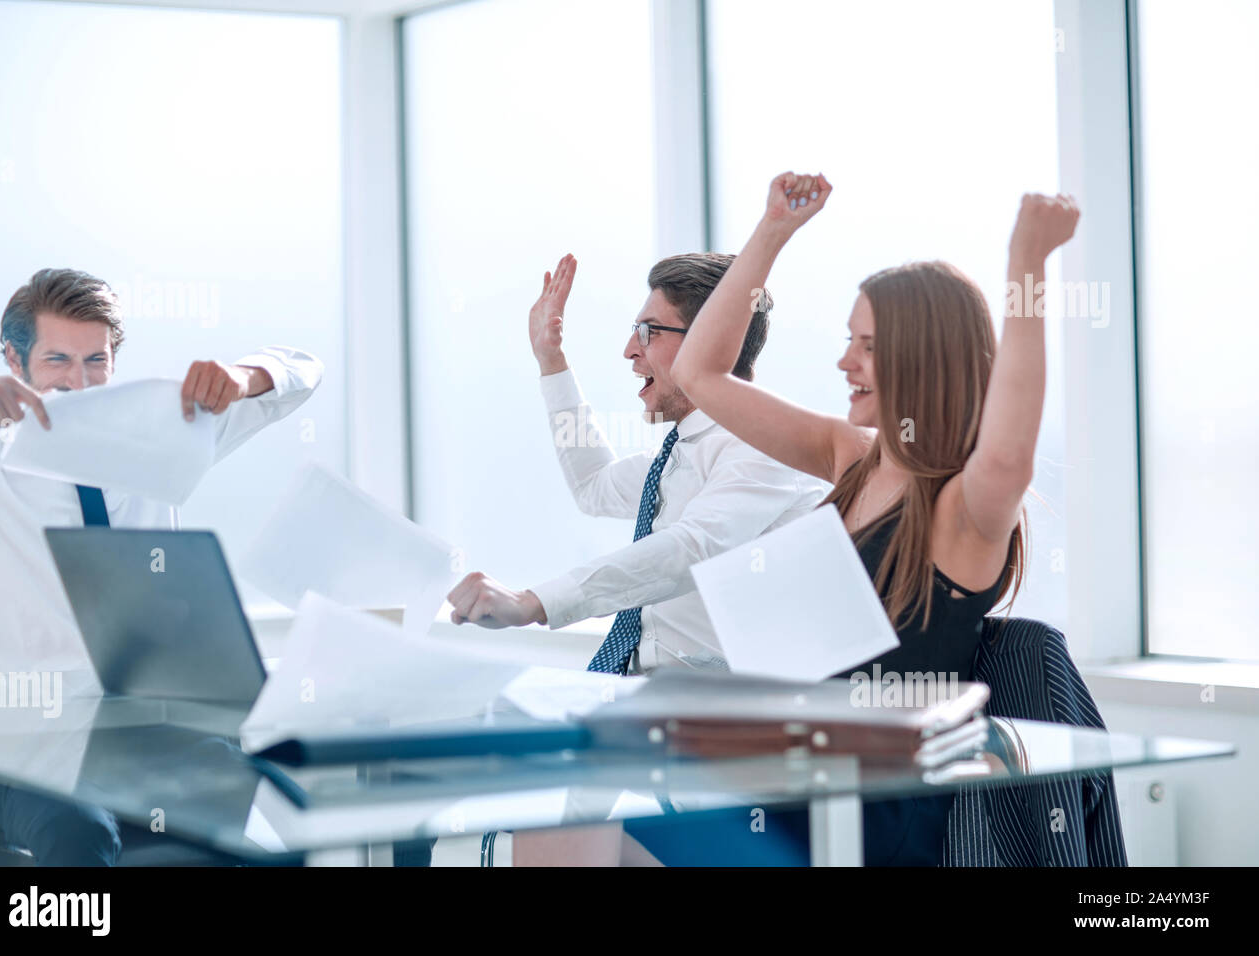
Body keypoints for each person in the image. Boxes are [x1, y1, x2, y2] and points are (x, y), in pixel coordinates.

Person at [665, 171, 1080, 865]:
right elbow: (700, 374)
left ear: (923, 357)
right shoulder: (853, 455)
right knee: (570, 818)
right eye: (848, 339)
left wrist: (1027, 266)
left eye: (868, 346)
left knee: (587, 826)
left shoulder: (961, 513)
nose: (843, 362)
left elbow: (1008, 458)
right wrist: (772, 231)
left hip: (873, 818)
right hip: (792, 779)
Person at [447, 252, 826, 866]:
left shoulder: (763, 446)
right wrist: (551, 360)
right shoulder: (684, 450)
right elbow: (593, 484)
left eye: (651, 331)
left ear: (713, 341)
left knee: (553, 798)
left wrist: (533, 602)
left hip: (729, 738)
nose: (630, 348)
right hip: (657, 720)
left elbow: (688, 548)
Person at [0, 266, 323, 865]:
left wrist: (242, 376)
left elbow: (303, 371)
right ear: (13, 361)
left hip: (161, 752)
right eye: (57, 361)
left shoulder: (167, 434)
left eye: (96, 361)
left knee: (270, 845)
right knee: (83, 835)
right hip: (36, 758)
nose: (80, 383)